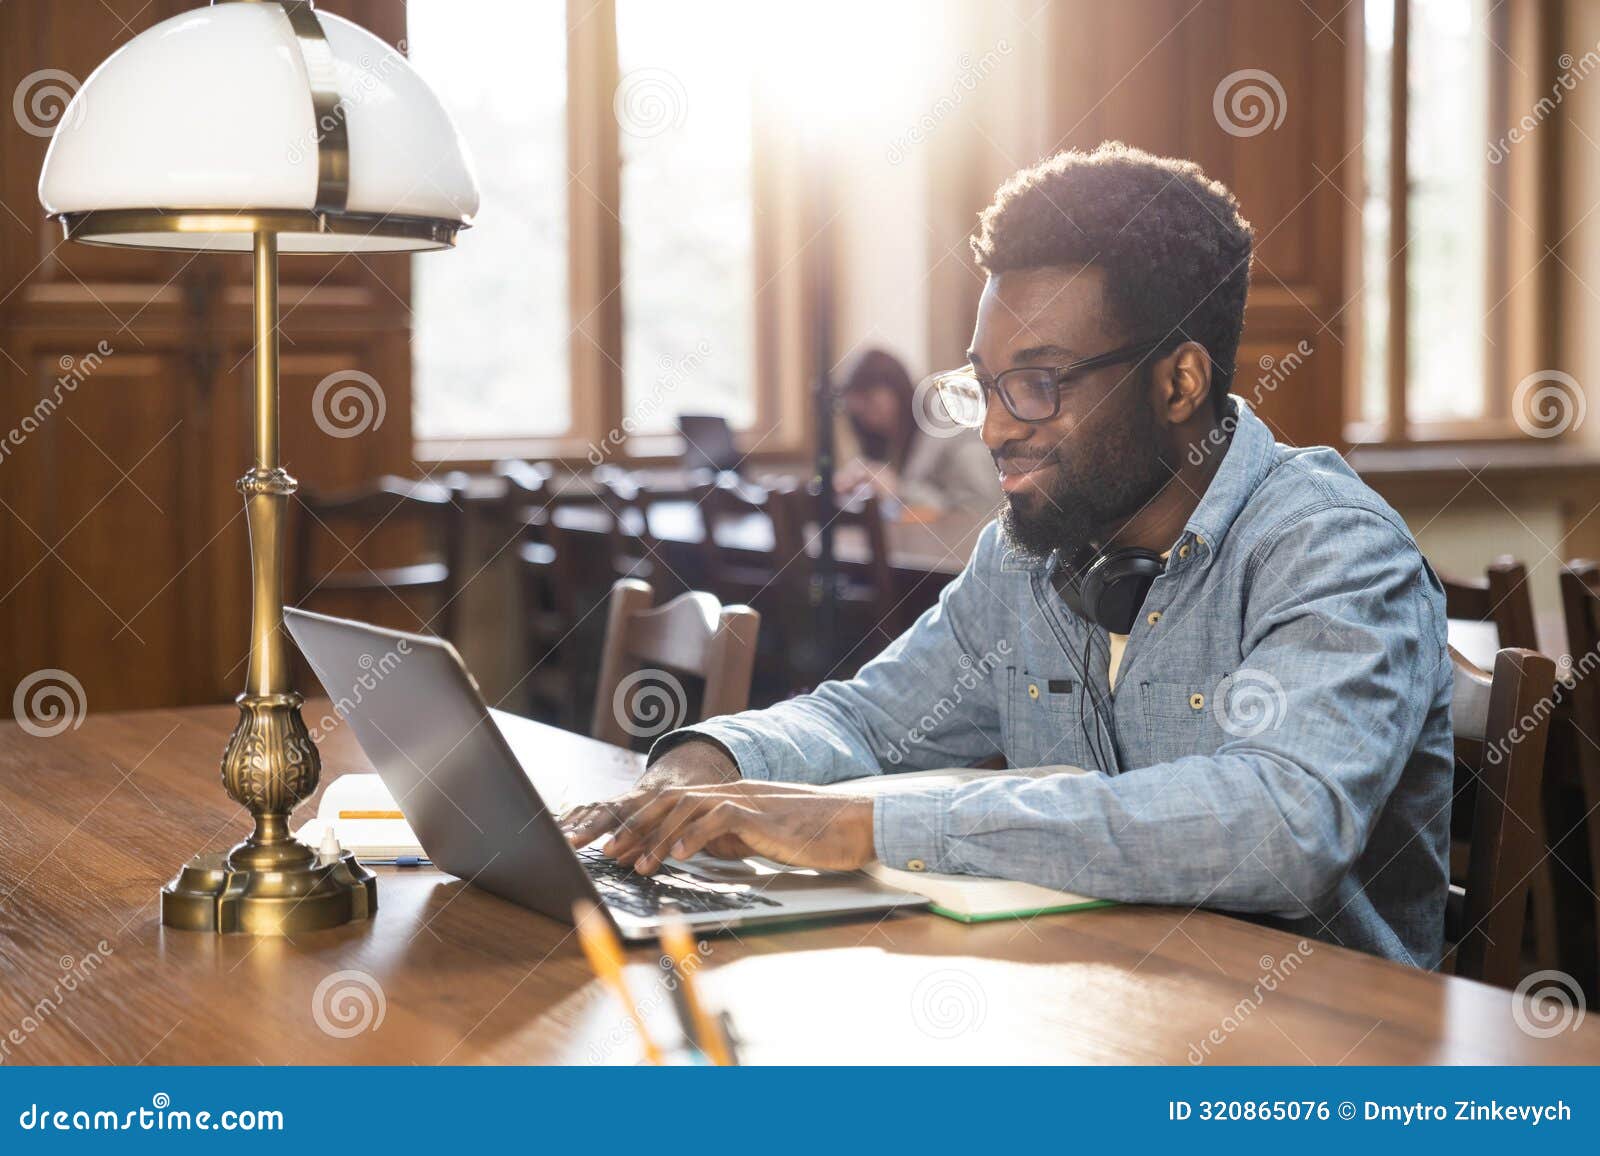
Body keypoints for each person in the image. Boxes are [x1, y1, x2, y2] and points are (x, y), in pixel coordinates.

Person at [562, 142, 1453, 969]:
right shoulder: (1027, 556)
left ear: (1179, 382)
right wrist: (712, 763)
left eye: (1038, 384)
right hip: (1096, 1010)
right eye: (983, 386)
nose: (993, 429)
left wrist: (867, 824)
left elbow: (1280, 828)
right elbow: (871, 724)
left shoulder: (1334, 547)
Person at [833, 348, 1000, 517]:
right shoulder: (891, 439)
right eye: (859, 414)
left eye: (870, 402)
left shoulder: (957, 432)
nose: (868, 421)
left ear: (897, 388)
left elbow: (981, 512)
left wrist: (897, 490)